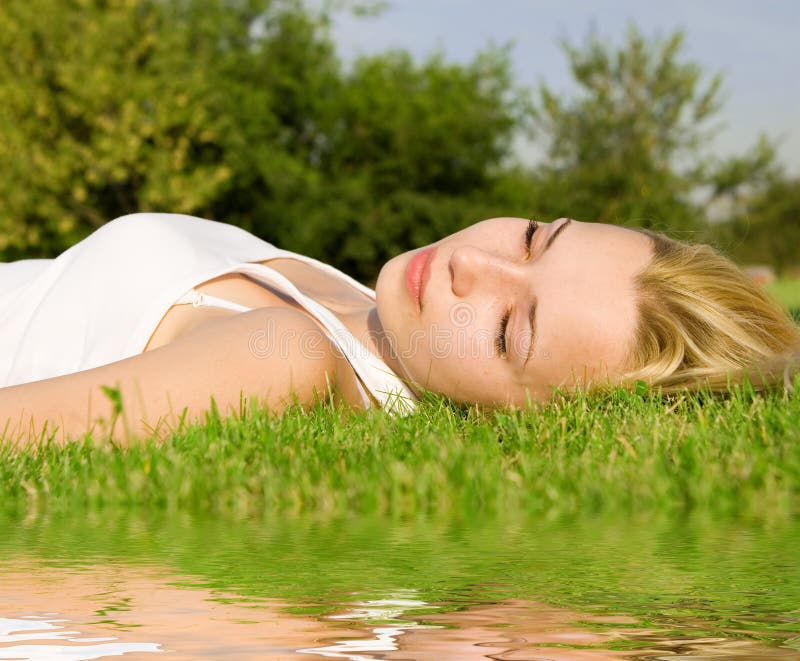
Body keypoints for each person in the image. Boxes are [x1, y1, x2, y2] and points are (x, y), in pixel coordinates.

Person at [0, 213, 798, 447]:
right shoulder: (372, 312)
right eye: (532, 238)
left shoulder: (289, 358)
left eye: (506, 331)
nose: (472, 267)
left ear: (530, 421)